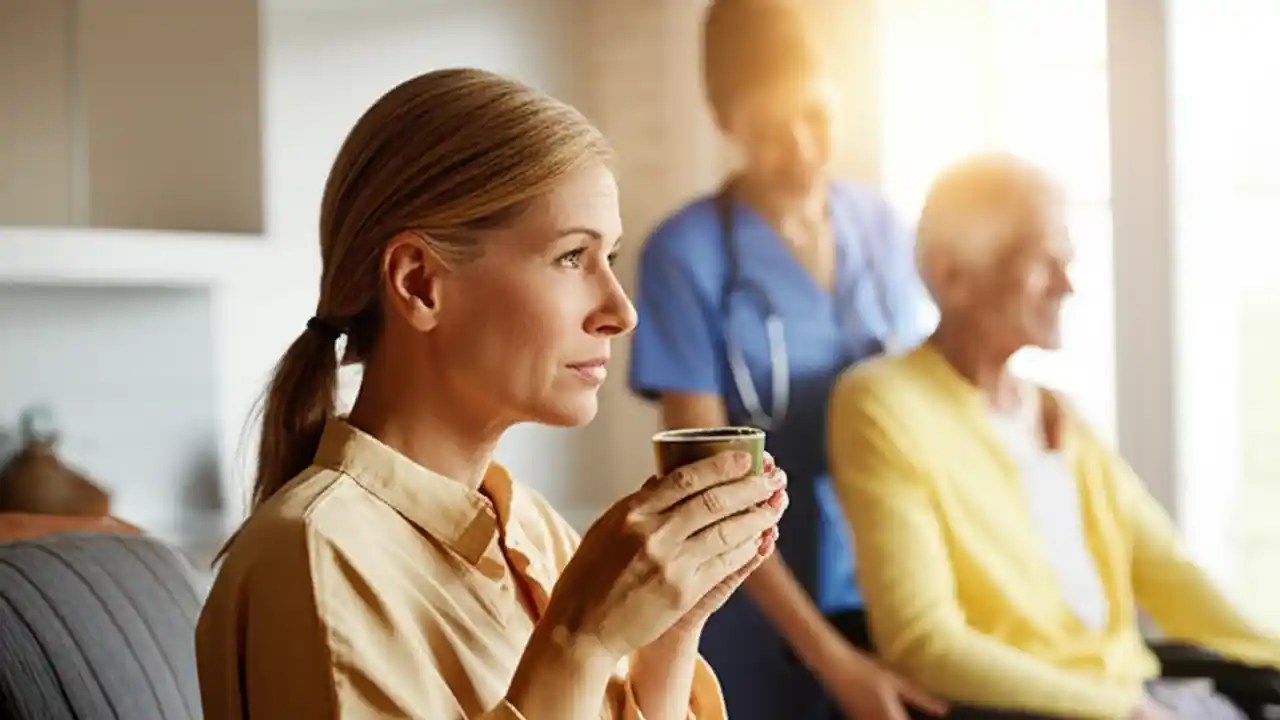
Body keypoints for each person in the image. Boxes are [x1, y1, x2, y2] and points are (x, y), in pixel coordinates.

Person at [195, 68, 792, 720]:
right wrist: (579, 642)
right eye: (571, 257)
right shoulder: (315, 563)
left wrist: (671, 628)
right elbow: (575, 655)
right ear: (421, 283)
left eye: (609, 259)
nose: (621, 312)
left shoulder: (529, 527)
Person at [828, 153, 1280, 720]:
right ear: (951, 276)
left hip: (1145, 696)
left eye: (1066, 258)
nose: (1067, 282)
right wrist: (1124, 711)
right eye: (1041, 261)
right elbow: (925, 642)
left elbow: (1171, 576)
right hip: (1053, 710)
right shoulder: (883, 403)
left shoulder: (1059, 415)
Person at [627, 2, 943, 719]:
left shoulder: (881, 227)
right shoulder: (687, 254)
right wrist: (834, 663)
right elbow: (705, 487)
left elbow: (924, 401)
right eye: (769, 131)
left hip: (885, 585)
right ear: (723, 122)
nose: (800, 149)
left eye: (818, 117)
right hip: (752, 602)